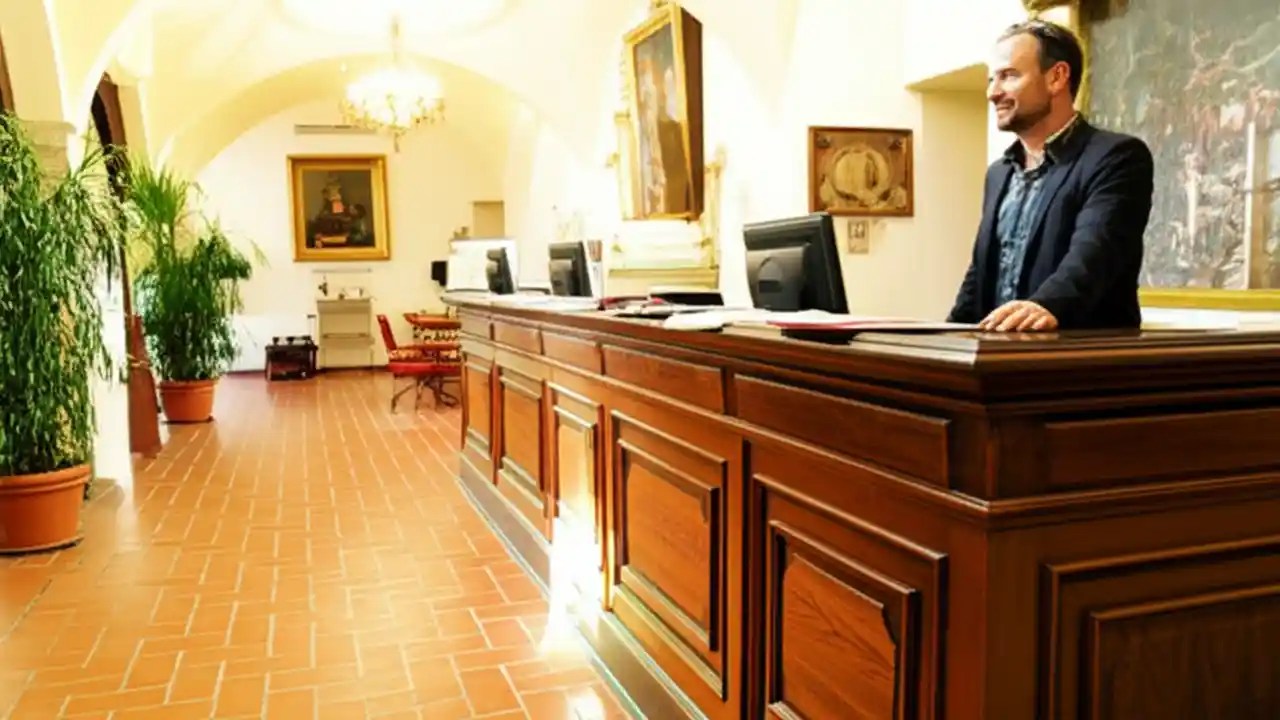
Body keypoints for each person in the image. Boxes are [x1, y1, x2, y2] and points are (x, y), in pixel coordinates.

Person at [947, 20, 1154, 332]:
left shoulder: (1116, 157)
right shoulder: (999, 173)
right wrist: (947, 335)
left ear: (1057, 77)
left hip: (1076, 366)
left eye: (1008, 76)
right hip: (996, 364)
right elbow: (980, 274)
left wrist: (1047, 305)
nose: (992, 92)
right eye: (992, 79)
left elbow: (1095, 254)